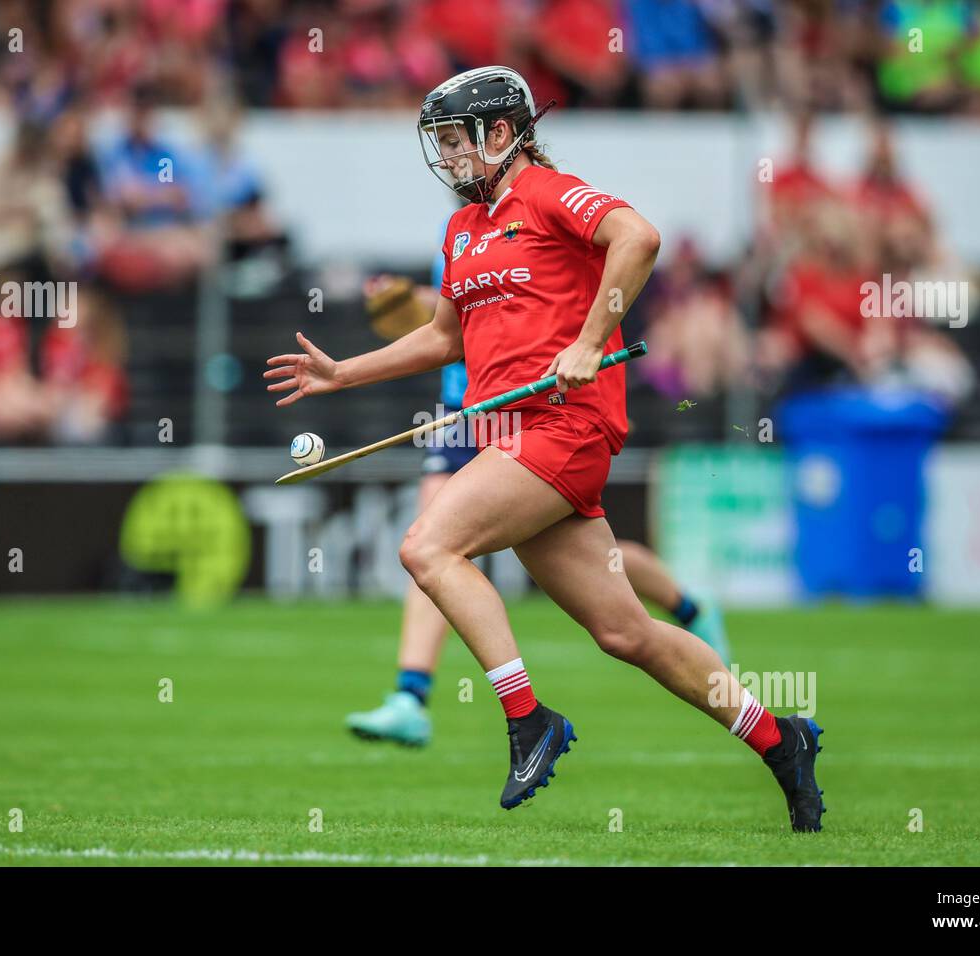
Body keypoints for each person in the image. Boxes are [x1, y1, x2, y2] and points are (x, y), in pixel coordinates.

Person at [265, 66, 824, 831]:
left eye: (460, 141)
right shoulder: (462, 230)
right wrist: (341, 374)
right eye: (443, 144)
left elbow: (640, 237)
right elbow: (441, 337)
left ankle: (528, 719)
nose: (450, 157)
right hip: (508, 437)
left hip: (563, 428)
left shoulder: (549, 193)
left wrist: (592, 339)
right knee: (626, 632)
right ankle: (779, 739)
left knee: (429, 546)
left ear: (503, 133)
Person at [347, 255, 729, 748]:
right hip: (465, 415)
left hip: (535, 411)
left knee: (592, 554)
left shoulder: (539, 223)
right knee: (430, 544)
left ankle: (690, 606)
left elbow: (521, 304)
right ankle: (411, 696)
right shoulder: (463, 229)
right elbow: (453, 320)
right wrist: (414, 302)